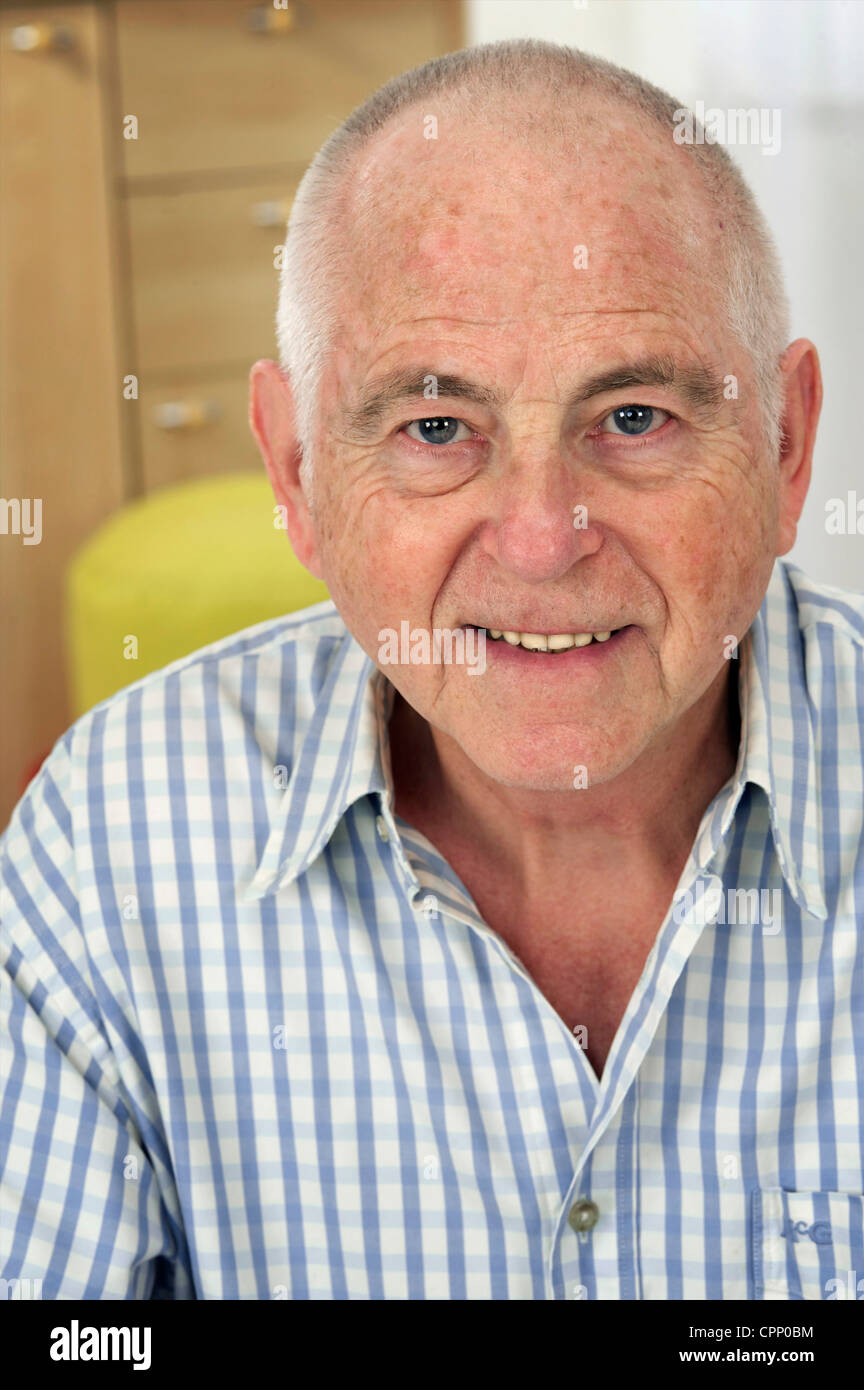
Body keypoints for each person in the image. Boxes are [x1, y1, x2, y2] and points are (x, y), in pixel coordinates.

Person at [2, 39, 861, 1302]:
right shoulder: (106, 846)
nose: (540, 538)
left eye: (633, 418)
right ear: (295, 474)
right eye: (436, 428)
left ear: (786, 449)